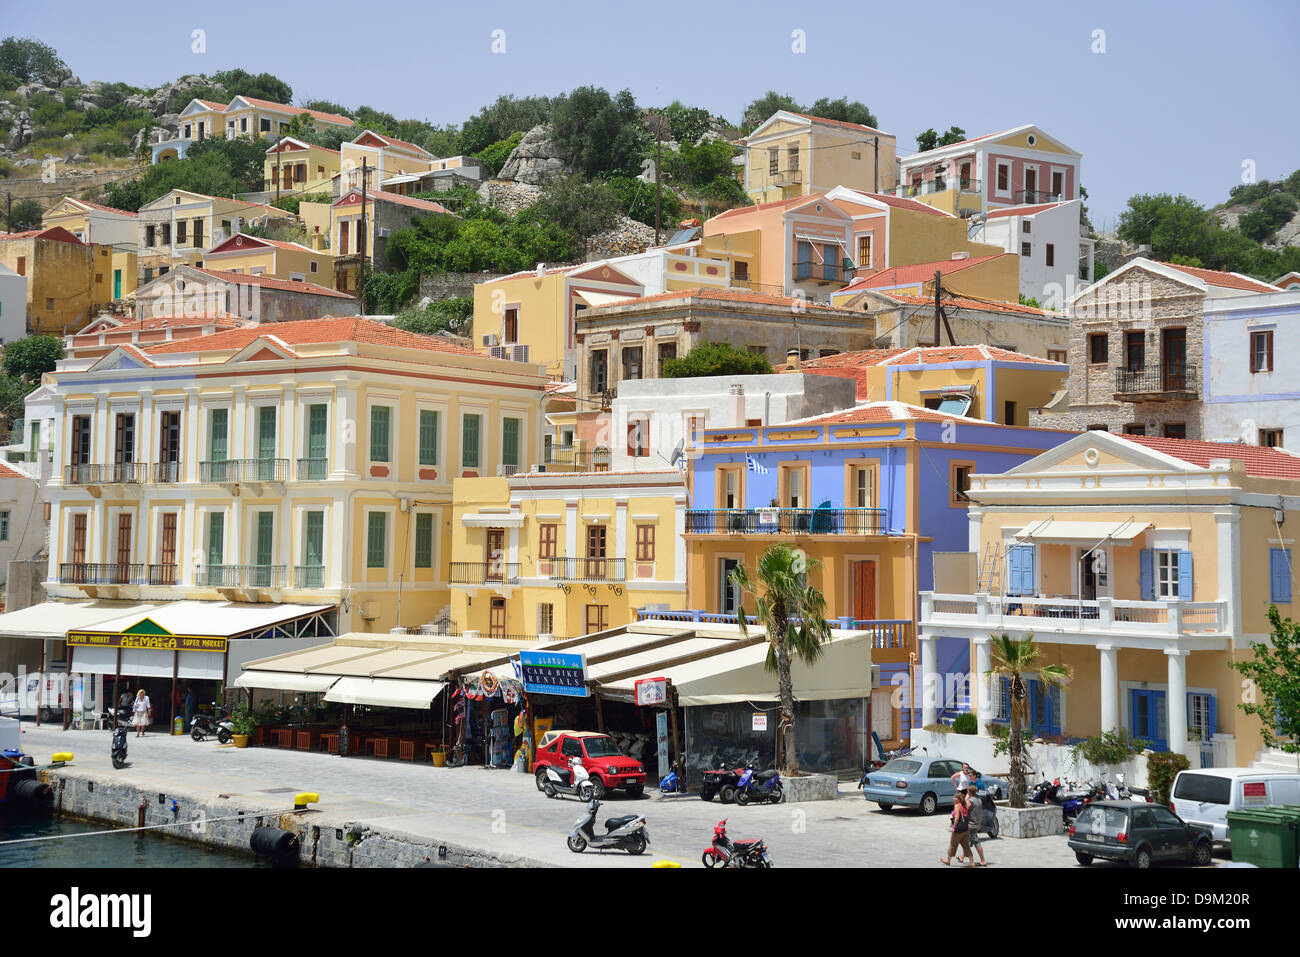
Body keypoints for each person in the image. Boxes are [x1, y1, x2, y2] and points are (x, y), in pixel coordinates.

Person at [957, 785, 988, 866]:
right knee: (967, 841)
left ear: (969, 792)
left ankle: (983, 860)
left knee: (976, 842)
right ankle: (962, 857)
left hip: (970, 824)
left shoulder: (969, 801)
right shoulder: (979, 800)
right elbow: (981, 813)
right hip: (976, 823)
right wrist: (979, 823)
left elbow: (964, 812)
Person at [940, 791, 973, 867]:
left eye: (954, 797)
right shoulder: (964, 805)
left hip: (959, 830)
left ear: (958, 799)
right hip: (966, 829)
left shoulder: (957, 806)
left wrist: (953, 827)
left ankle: (948, 860)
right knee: (966, 846)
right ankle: (972, 862)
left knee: (952, 845)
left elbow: (957, 818)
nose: (953, 798)